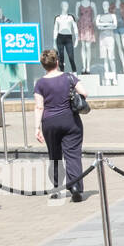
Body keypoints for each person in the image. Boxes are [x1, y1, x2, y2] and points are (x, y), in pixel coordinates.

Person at [33, 47, 87, 203]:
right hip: (70, 120)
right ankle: (75, 186)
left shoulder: (40, 83)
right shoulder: (69, 77)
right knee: (73, 155)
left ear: (44, 65)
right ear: (57, 62)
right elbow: (84, 92)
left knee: (55, 156)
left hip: (49, 122)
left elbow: (39, 106)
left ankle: (57, 189)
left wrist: (36, 128)